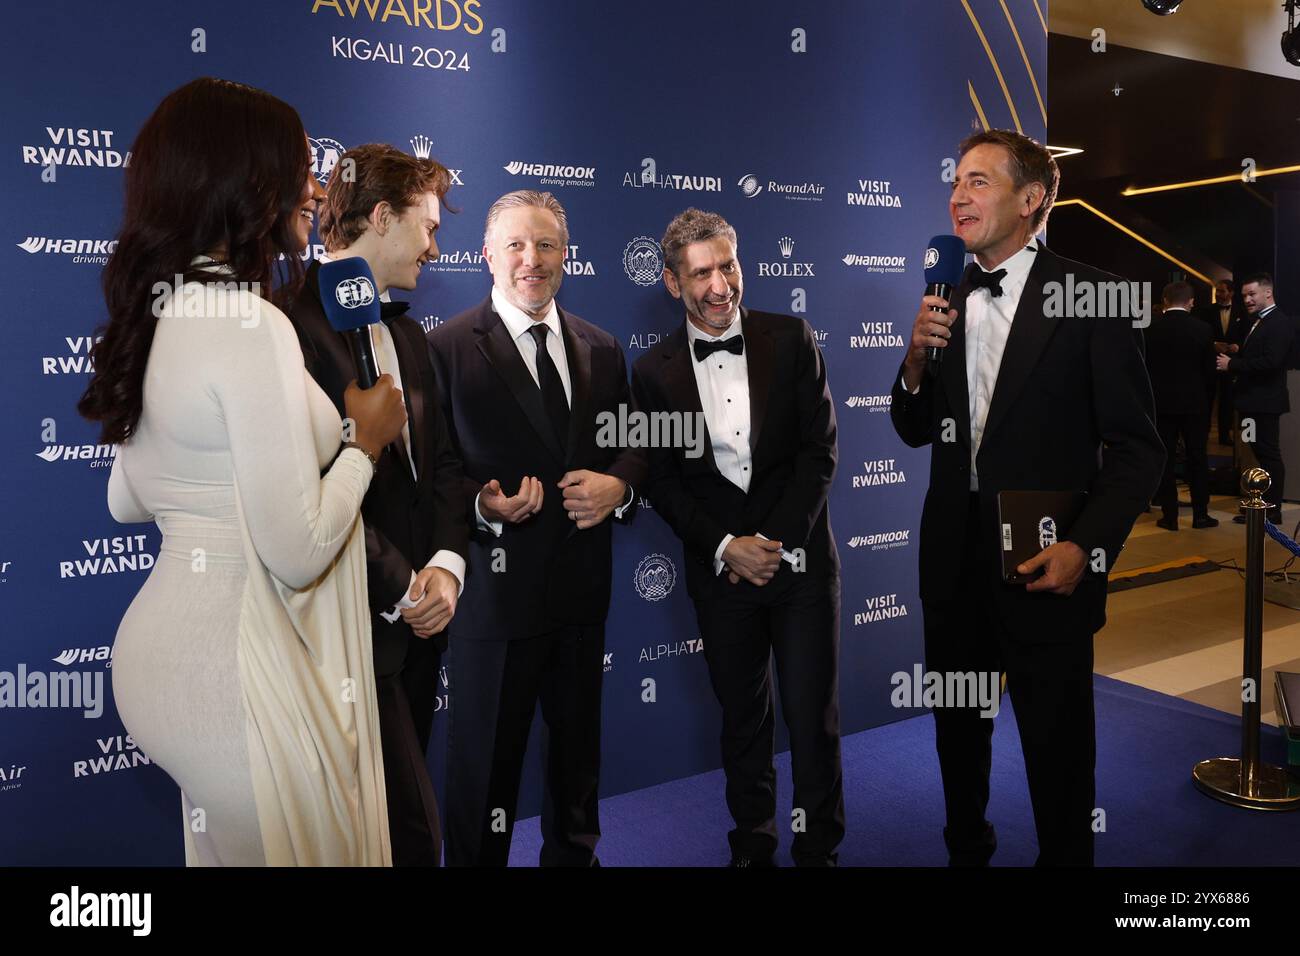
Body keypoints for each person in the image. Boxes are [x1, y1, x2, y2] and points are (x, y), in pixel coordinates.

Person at [78, 78, 407, 866]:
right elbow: (296, 550)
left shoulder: (160, 313)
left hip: (161, 666)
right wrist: (363, 445)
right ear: (245, 177)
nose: (316, 187)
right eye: (301, 166)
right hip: (235, 672)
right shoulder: (249, 324)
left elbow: (126, 499)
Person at [890, 129, 1163, 866]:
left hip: (1049, 559)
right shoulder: (943, 294)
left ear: (1033, 198)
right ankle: (966, 848)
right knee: (958, 729)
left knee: (1056, 743)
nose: (957, 194)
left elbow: (1140, 451)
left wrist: (1089, 547)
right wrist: (914, 362)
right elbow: (915, 429)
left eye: (979, 181)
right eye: (956, 180)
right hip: (953, 559)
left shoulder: (1092, 295)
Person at [427, 190, 645, 866]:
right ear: (487, 255)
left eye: (546, 245)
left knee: (576, 768)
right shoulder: (445, 348)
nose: (532, 260)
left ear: (566, 256)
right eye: (517, 245)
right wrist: (481, 505)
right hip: (493, 606)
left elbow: (633, 442)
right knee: (485, 774)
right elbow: (431, 473)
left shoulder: (602, 347)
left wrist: (620, 485)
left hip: (581, 597)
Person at [630, 209, 844, 867]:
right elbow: (661, 483)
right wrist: (727, 548)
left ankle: (818, 848)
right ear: (672, 283)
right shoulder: (652, 371)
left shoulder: (792, 335)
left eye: (728, 266)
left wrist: (771, 544)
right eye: (701, 273)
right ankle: (753, 841)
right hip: (720, 576)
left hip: (800, 565)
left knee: (812, 719)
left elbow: (819, 452)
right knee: (742, 720)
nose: (719, 285)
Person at [287, 143, 469, 866]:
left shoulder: (409, 336)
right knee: (394, 839)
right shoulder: (283, 328)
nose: (434, 244)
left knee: (396, 839)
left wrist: (447, 568)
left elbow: (446, 467)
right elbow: (304, 491)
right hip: (340, 631)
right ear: (383, 216)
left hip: (423, 627)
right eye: (425, 225)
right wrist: (401, 586)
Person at [1218, 272, 1293, 524]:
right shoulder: (1258, 321)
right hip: (1252, 402)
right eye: (1244, 296)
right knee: (1257, 454)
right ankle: (1259, 506)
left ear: (1267, 293)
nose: (1247, 300)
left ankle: (1271, 512)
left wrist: (1233, 365)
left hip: (1265, 402)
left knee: (1268, 454)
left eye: (1252, 294)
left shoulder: (1278, 322)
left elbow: (1271, 362)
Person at [1146, 282, 1218, 530]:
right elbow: (1210, 373)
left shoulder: (1149, 328)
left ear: (1164, 300)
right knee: (1197, 458)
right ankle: (1201, 514)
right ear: (1191, 302)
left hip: (1161, 405)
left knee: (1164, 459)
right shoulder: (1203, 329)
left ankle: (1170, 516)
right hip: (1195, 405)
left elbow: (1141, 369)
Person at [1195, 278, 1247, 444]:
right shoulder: (1206, 311)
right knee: (1207, 400)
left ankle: (1224, 436)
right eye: (1217, 291)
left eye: (1222, 291)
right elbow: (1200, 336)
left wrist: (1237, 347)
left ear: (1231, 293)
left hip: (1232, 363)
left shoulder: (1242, 312)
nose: (1218, 294)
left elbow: (1246, 337)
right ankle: (1203, 435)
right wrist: (1213, 345)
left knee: (1228, 401)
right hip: (1210, 362)